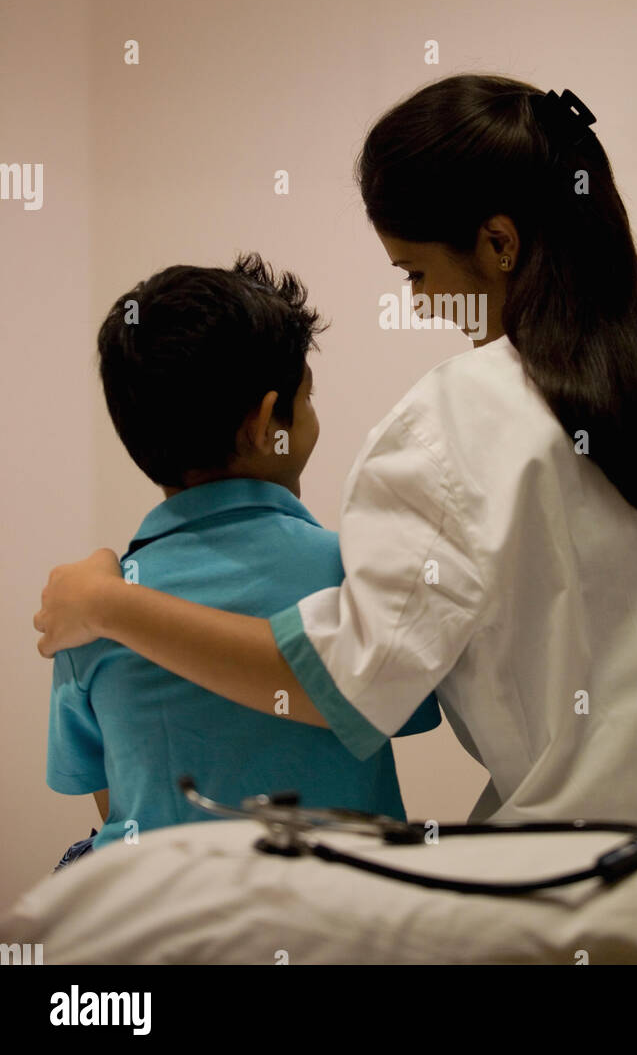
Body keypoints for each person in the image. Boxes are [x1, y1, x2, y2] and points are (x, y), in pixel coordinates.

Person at [37, 74, 637, 871]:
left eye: (417, 274)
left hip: (606, 900)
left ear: (499, 243)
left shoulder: (452, 421)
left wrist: (107, 605)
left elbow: (342, 683)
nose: (427, 304)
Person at [46, 254, 439, 860]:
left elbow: (112, 805)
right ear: (265, 426)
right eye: (305, 399)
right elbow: (402, 707)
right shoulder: (352, 575)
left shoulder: (83, 615)